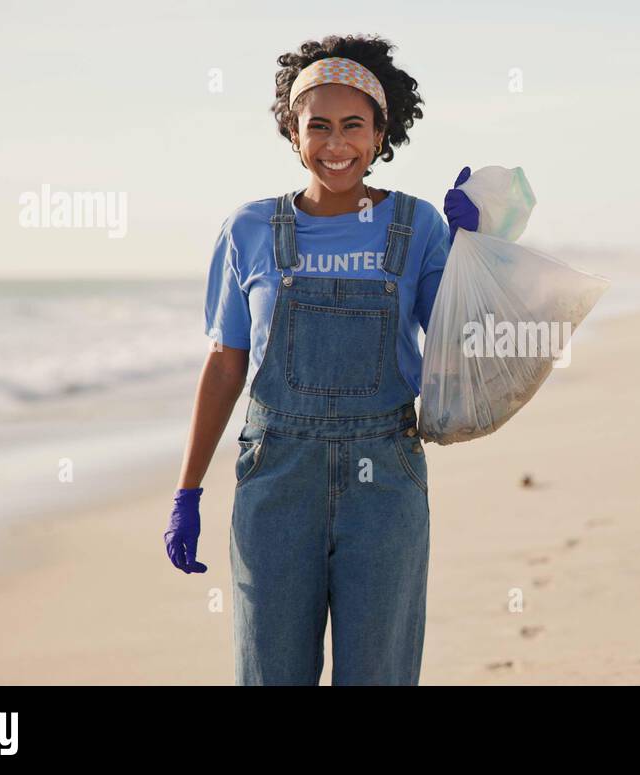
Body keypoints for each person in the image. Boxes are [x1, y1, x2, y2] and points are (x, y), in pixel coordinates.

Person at [163, 34, 480, 686]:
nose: (337, 145)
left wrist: (476, 249)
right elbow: (226, 363)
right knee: (271, 670)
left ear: (383, 130)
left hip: (385, 479)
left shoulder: (418, 227)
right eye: (319, 126)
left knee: (379, 672)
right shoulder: (249, 229)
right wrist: (187, 490)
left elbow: (459, 344)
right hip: (276, 476)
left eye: (354, 126)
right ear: (291, 130)